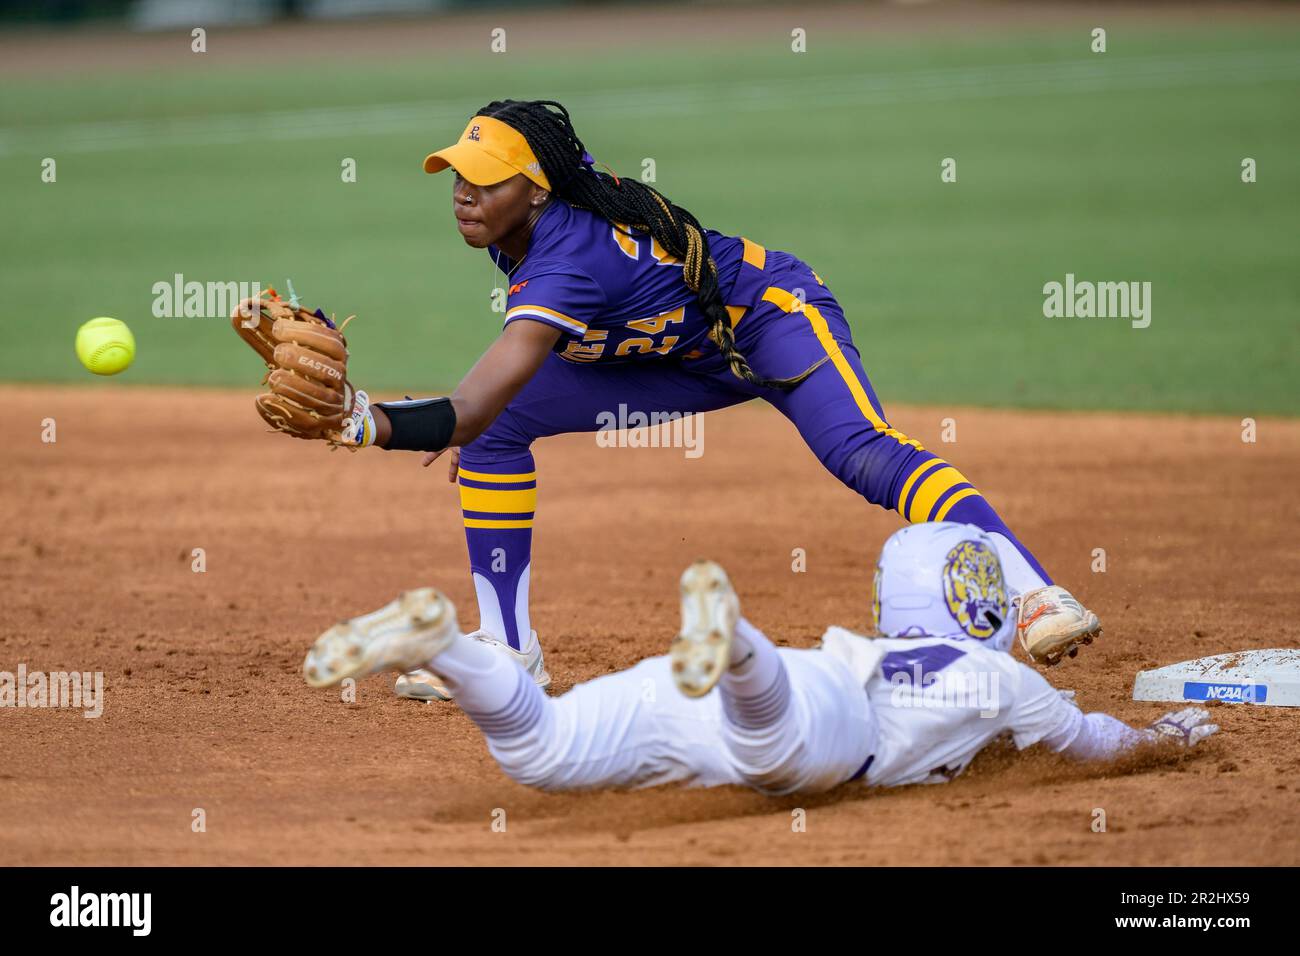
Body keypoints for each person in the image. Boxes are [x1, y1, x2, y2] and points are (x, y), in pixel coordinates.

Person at [338, 99, 1101, 702]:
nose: (464, 195)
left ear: (536, 190)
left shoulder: (565, 253)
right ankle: (508, 651)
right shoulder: (528, 223)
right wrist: (465, 414)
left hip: (767, 321)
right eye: (458, 176)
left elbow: (470, 407)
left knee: (862, 455)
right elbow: (489, 399)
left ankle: (1034, 594)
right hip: (668, 357)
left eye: (486, 180)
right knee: (499, 428)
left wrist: (364, 421)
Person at [302, 524, 1214, 794]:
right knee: (774, 751)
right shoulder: (1007, 681)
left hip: (708, 693)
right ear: (976, 600)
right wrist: (1171, 735)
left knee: (539, 752)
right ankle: (732, 638)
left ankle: (448, 646)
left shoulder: (884, 645)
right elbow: (1096, 740)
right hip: (818, 719)